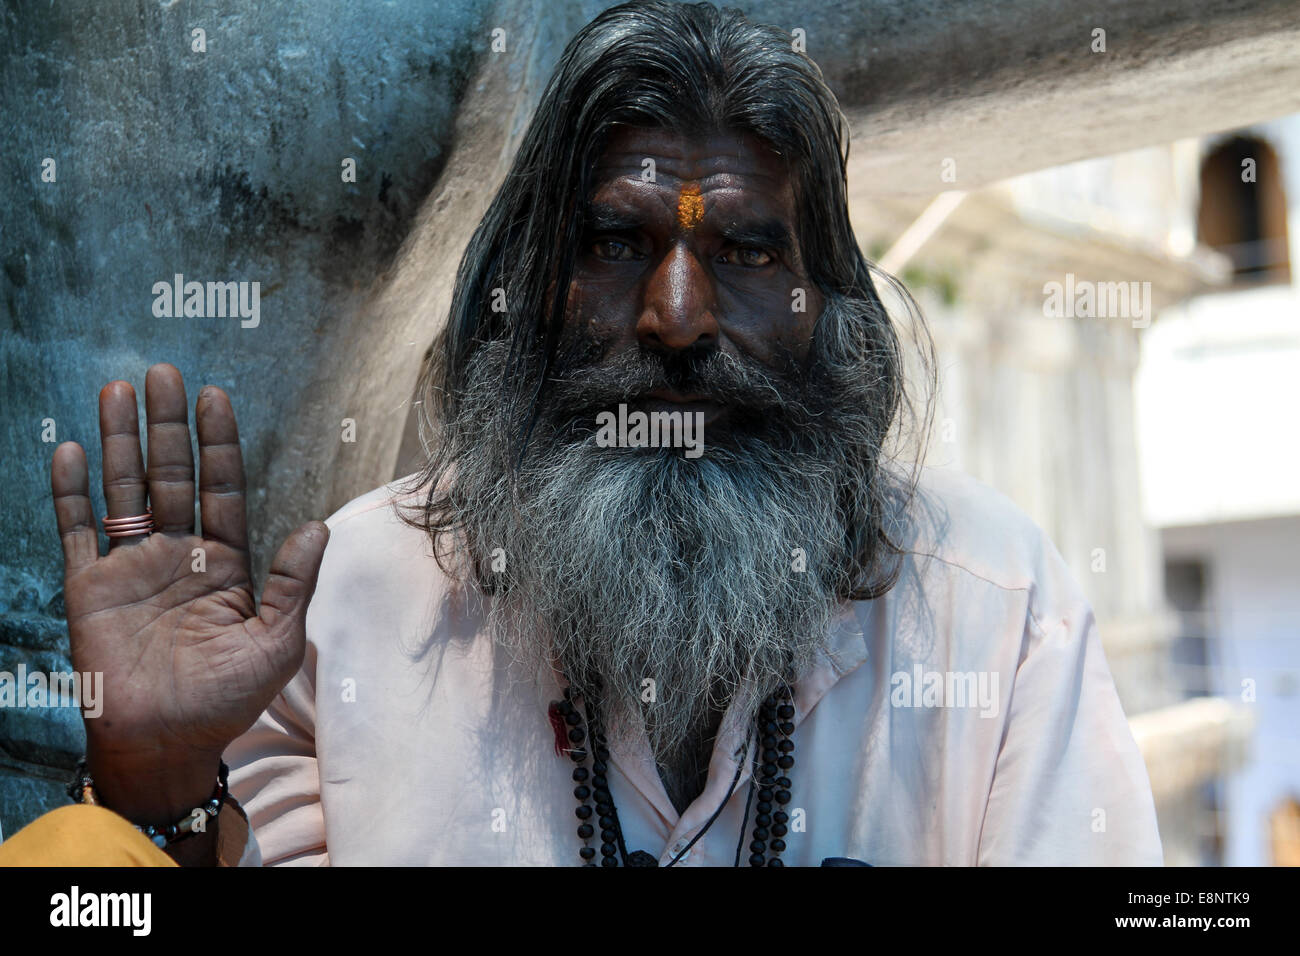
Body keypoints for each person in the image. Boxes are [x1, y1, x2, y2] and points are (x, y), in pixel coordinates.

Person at [4, 0, 1161, 867]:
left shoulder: (996, 605)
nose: (675, 316)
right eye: (614, 244)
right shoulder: (356, 601)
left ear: (831, 313)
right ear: (524, 289)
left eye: (748, 253)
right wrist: (154, 791)